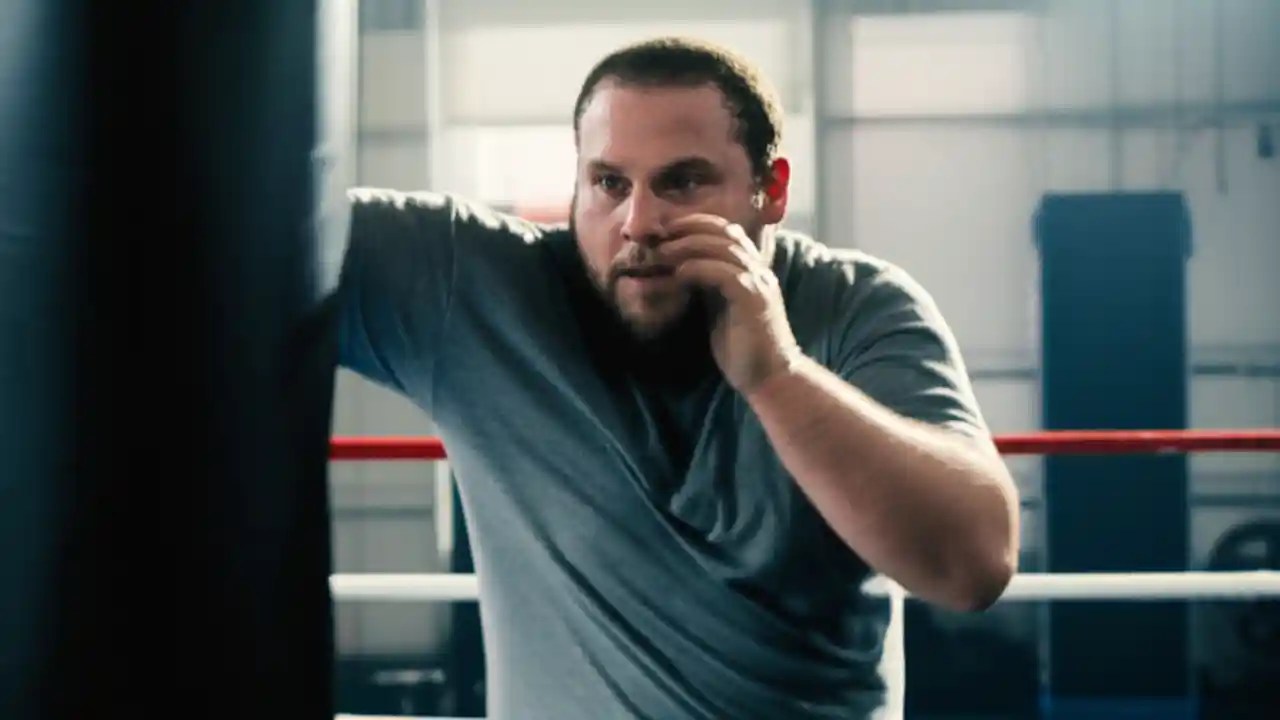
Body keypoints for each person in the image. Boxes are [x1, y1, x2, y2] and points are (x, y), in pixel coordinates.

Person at [336, 36, 1020, 720]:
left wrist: (779, 376)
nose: (639, 223)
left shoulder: (856, 307)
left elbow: (975, 566)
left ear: (770, 190)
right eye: (609, 183)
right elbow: (254, 226)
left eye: (683, 182)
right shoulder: (476, 289)